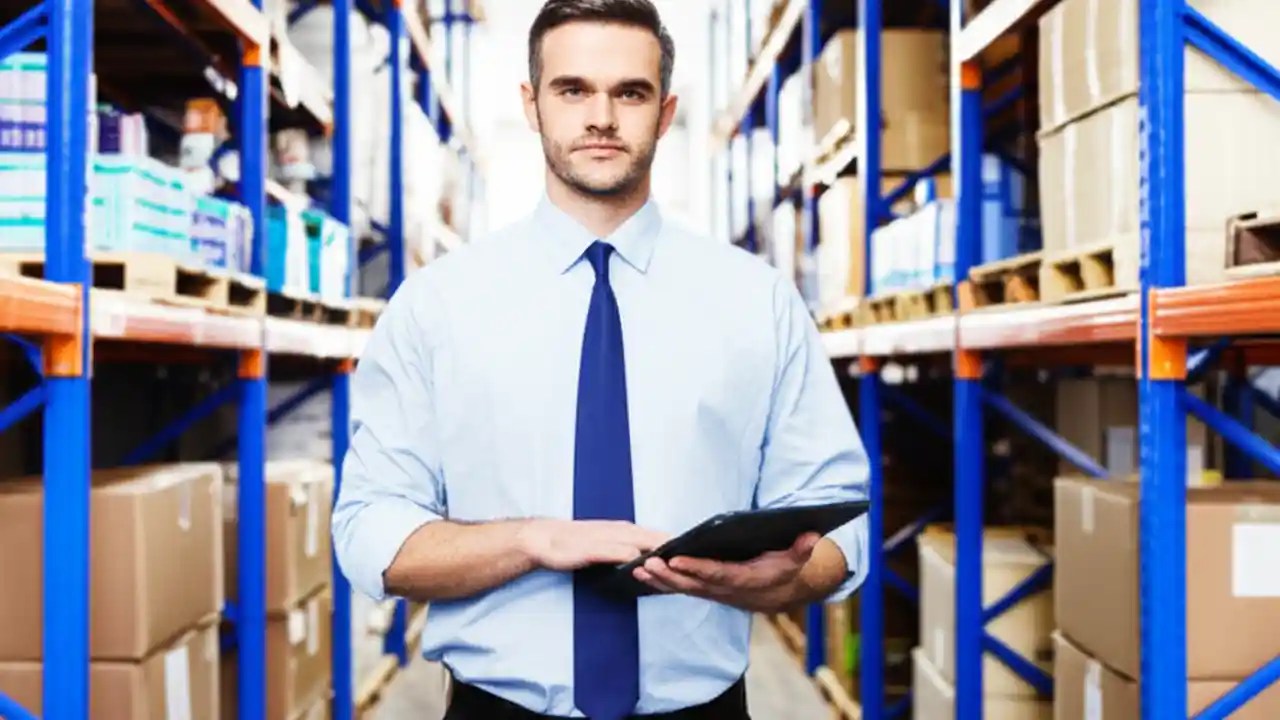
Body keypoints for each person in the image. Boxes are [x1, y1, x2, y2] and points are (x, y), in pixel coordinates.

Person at [331, 0, 870, 718]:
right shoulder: (437, 306)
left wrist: (780, 582)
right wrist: (531, 540)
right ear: (532, 103)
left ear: (666, 109)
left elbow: (841, 527)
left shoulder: (757, 303)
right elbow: (369, 532)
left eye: (630, 93)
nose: (602, 117)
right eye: (573, 89)